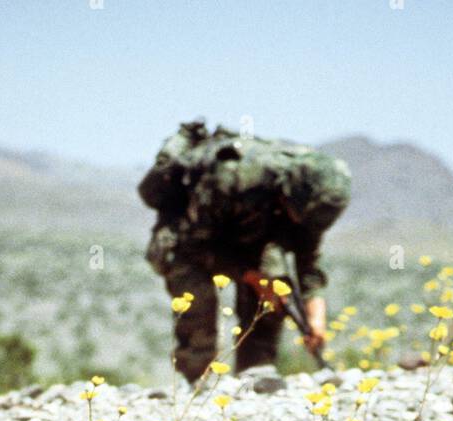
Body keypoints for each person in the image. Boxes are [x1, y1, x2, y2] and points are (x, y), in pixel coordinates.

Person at [139, 120, 351, 381]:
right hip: (190, 239)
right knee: (198, 301)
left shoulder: (311, 207)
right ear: (288, 193)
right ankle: (196, 383)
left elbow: (309, 265)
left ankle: (256, 372)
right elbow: (195, 244)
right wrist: (252, 276)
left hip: (248, 236)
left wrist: (315, 318)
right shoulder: (233, 177)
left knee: (276, 286)